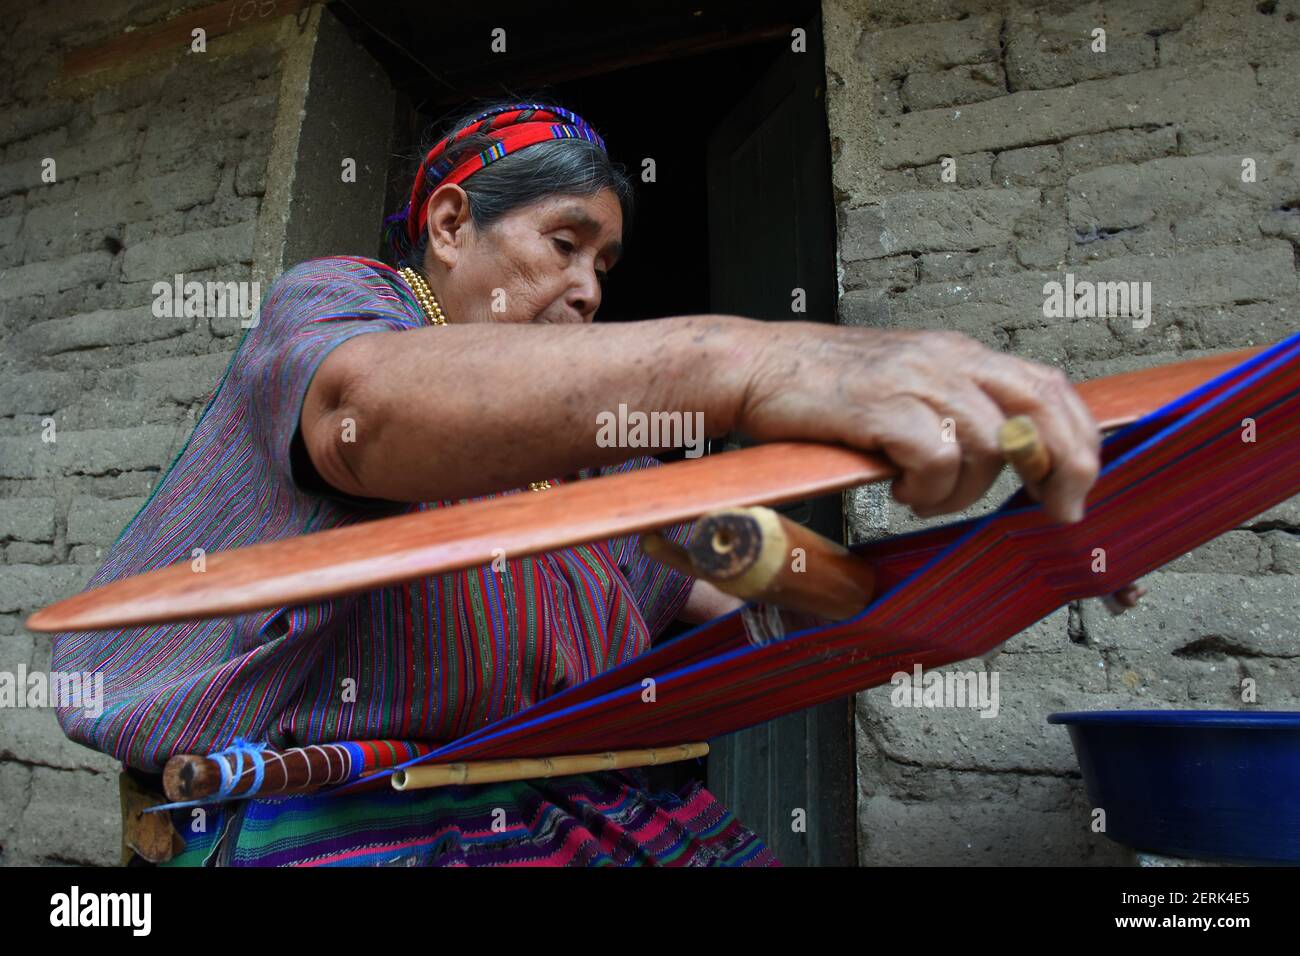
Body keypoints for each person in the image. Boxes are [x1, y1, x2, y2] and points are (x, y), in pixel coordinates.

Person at [51, 100, 1101, 866]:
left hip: (563, 806)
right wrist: (755, 362)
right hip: (336, 812)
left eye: (604, 264)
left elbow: (730, 579)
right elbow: (361, 418)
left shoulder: (602, 455)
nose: (588, 288)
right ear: (453, 224)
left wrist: (990, 576)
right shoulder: (344, 312)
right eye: (564, 244)